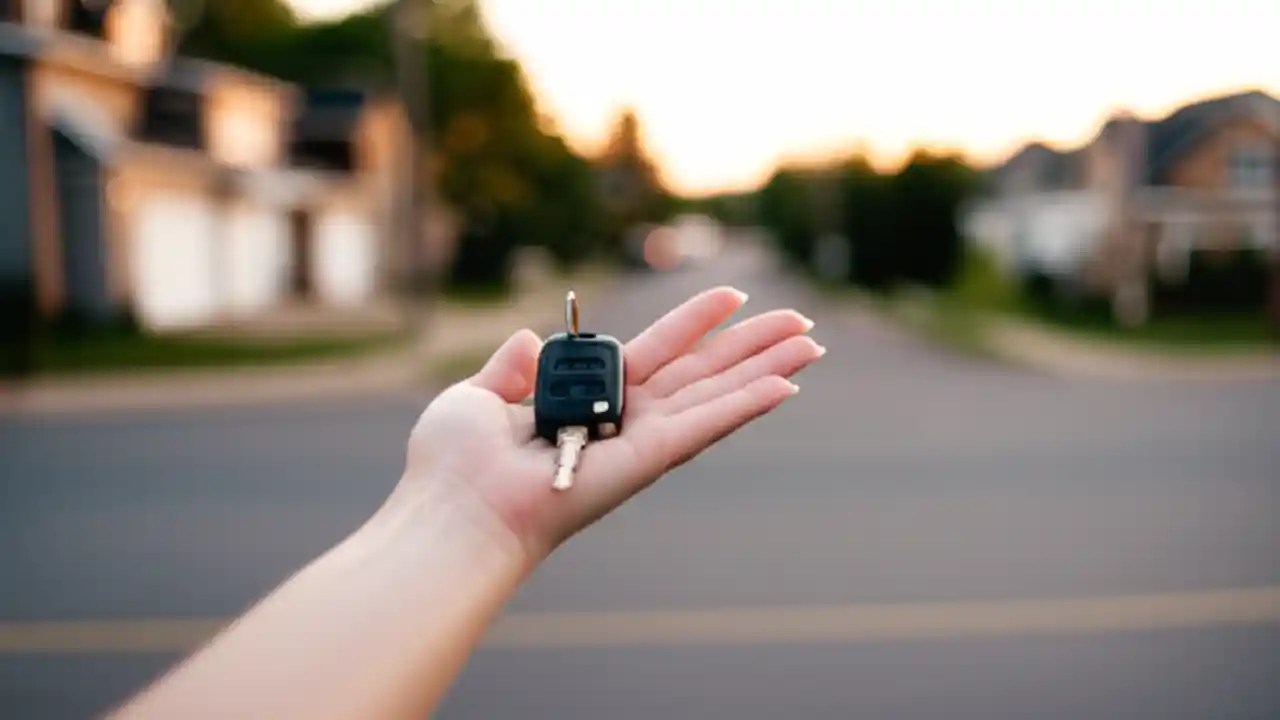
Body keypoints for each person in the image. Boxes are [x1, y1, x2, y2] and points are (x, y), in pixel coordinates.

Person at [115, 287, 823, 719]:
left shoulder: (565, 378)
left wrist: (456, 512)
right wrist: (463, 508)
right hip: (489, 494)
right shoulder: (578, 378)